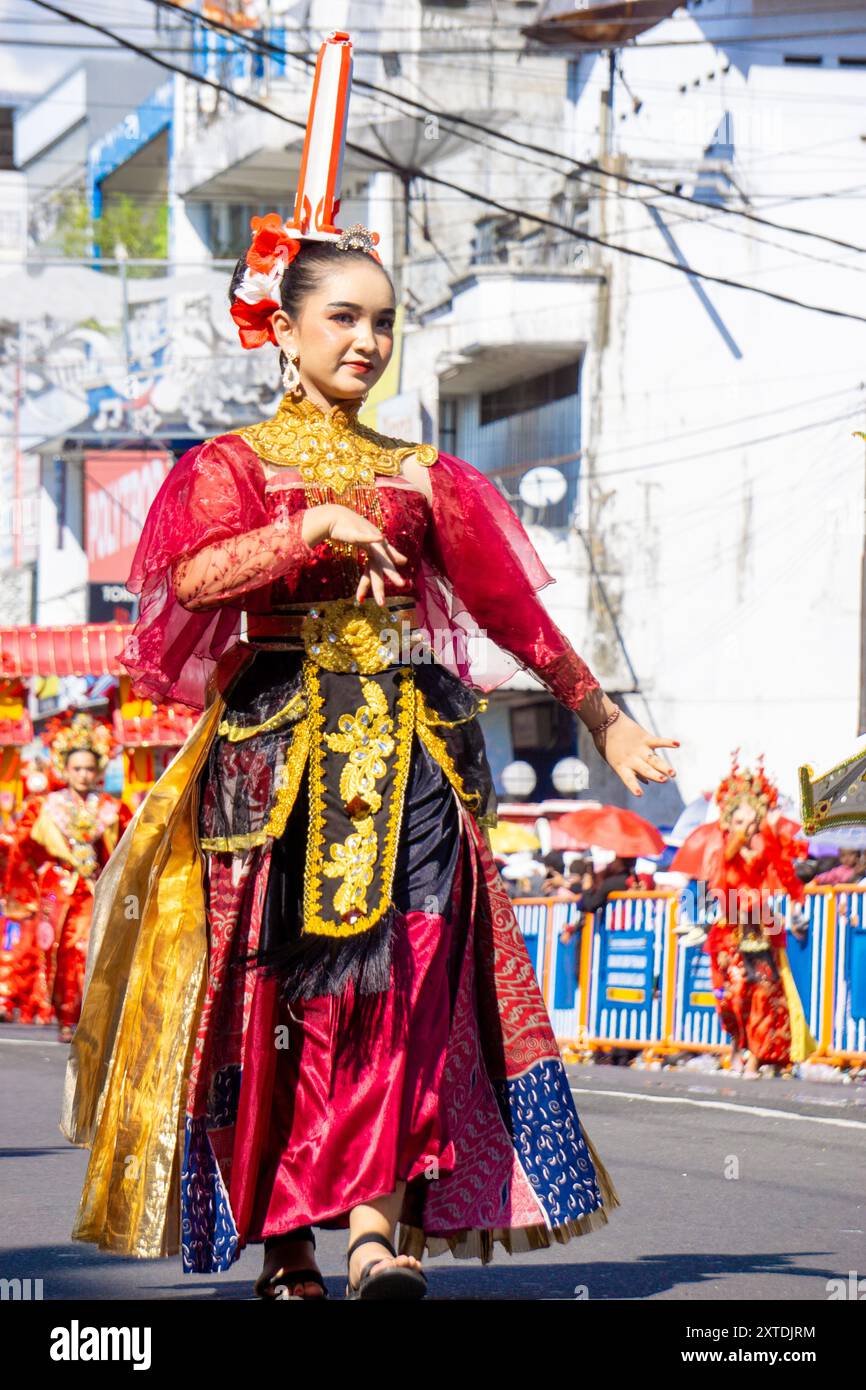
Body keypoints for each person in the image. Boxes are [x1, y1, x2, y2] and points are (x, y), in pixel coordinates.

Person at [60, 34, 681, 1302]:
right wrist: (306, 530)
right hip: (275, 762)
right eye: (341, 317)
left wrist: (598, 713)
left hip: (407, 756)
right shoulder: (227, 469)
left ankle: (375, 1232)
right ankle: (287, 1241)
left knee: (408, 987)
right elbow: (184, 582)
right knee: (275, 1005)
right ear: (282, 333)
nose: (367, 341)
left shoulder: (421, 476)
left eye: (383, 323)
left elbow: (510, 610)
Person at [4, 714, 128, 1043]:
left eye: (89, 768)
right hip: (55, 891)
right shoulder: (47, 806)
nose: (84, 775)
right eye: (77, 769)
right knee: (54, 951)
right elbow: (23, 847)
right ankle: (63, 1014)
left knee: (84, 949)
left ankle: (83, 1014)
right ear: (65, 769)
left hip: (92, 890)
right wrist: (29, 886)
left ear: (99, 770)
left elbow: (126, 850)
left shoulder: (110, 807)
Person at [704, 753, 817, 1078]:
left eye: (752, 822)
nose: (747, 828)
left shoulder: (764, 849)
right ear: (729, 821)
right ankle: (738, 1046)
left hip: (759, 932)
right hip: (728, 934)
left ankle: (756, 1055)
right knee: (731, 997)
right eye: (740, 822)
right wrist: (741, 836)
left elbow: (784, 873)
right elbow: (721, 872)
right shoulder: (721, 851)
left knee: (763, 993)